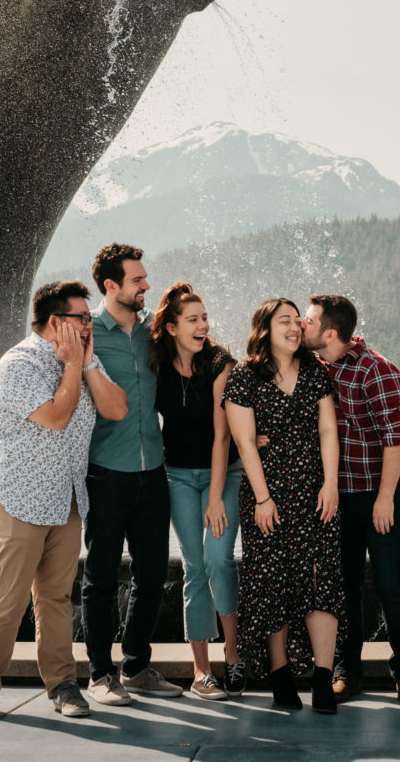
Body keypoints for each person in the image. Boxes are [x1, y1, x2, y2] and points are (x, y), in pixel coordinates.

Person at [0, 244, 180, 703]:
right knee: (58, 590)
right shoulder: (46, 351)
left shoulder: (153, 333)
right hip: (68, 484)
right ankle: (82, 676)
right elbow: (46, 408)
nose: (146, 286)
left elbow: (122, 402)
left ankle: (103, 676)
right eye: (137, 280)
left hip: (114, 482)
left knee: (112, 585)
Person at [0, 281, 128, 723]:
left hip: (67, 498)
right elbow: (56, 417)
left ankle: (63, 685)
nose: (90, 325)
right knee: (9, 599)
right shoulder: (18, 364)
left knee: (55, 598)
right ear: (56, 323)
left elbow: (117, 409)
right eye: (82, 319)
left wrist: (85, 362)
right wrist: (74, 366)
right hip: (17, 497)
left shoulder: (85, 359)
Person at [301, 294, 400, 704]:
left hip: (378, 494)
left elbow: (396, 439)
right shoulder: (313, 367)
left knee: (392, 584)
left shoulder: (377, 371)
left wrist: (385, 498)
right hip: (337, 498)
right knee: (343, 587)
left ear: (330, 333)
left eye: (310, 319)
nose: (303, 324)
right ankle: (345, 671)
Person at [224, 297, 345, 714]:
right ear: (265, 328)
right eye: (285, 321)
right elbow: (243, 441)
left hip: (314, 492)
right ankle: (280, 675)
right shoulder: (245, 376)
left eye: (298, 321)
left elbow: (329, 430)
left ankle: (324, 680)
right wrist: (262, 497)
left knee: (320, 579)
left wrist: (330, 484)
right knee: (272, 581)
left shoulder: (315, 372)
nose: (295, 328)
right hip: (267, 494)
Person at [149, 281, 246, 700]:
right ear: (171, 327)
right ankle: (202, 671)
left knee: (220, 559)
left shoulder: (220, 362)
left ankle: (235, 655)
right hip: (176, 475)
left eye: (204, 318)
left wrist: (214, 497)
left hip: (223, 475)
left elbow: (223, 436)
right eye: (193, 319)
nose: (203, 325)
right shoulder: (156, 365)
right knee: (194, 565)